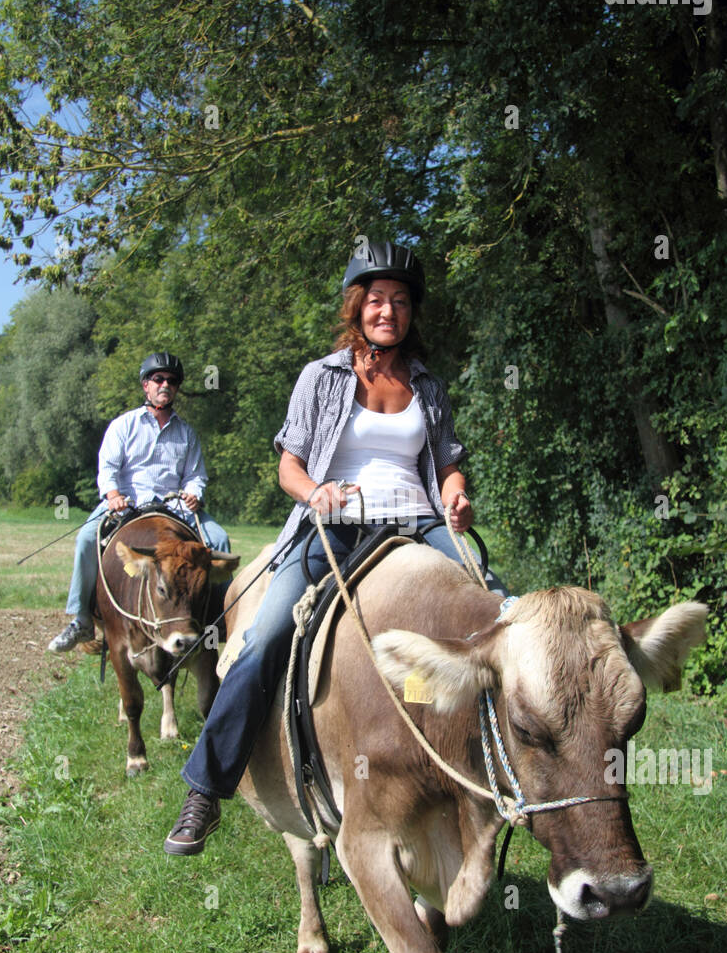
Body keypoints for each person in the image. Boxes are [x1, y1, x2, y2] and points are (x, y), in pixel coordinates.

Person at [164, 240, 508, 855]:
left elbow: (448, 464)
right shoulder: (319, 377)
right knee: (268, 636)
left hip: (420, 522)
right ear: (357, 307)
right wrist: (316, 493)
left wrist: (456, 497)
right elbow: (289, 466)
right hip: (335, 522)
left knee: (503, 615)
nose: (389, 311)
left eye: (401, 302)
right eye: (377, 300)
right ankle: (205, 787)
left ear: (411, 313)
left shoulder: (428, 384)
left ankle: (519, 770)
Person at [47, 352, 231, 653]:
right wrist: (112, 495)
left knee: (219, 539)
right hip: (127, 503)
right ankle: (81, 619)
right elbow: (107, 469)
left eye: (172, 381)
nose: (165, 385)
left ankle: (219, 618)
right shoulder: (123, 425)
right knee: (84, 539)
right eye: (158, 379)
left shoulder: (186, 433)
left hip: (175, 507)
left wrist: (194, 492)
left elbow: (196, 475)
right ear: (146, 385)